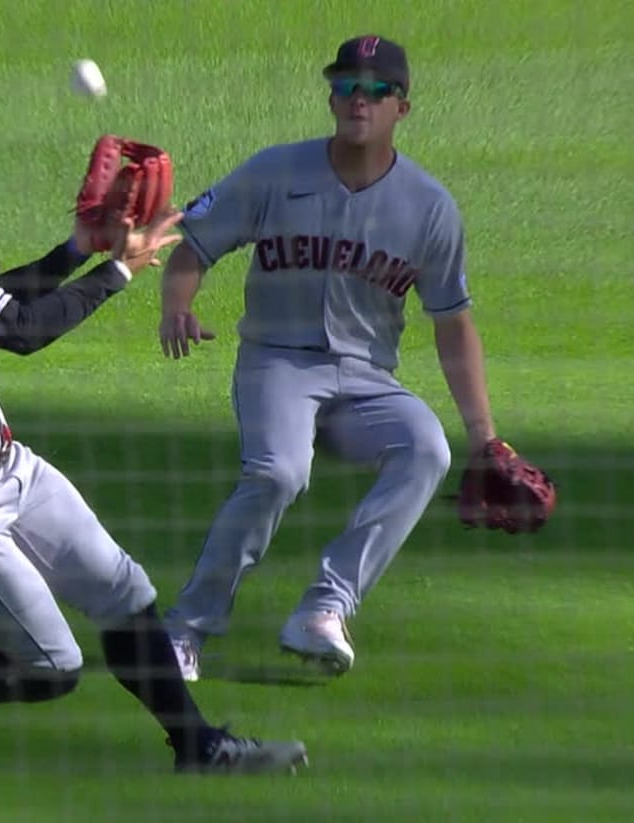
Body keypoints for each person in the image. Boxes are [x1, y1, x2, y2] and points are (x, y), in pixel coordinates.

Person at [0, 98, 308, 781]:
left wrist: (76, 248)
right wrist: (118, 271)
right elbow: (23, 334)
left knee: (125, 595)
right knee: (49, 668)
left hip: (8, 468)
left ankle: (198, 747)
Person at [157, 36, 499, 681]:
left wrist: (485, 436)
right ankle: (187, 629)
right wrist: (177, 306)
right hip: (278, 365)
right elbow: (192, 248)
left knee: (427, 448)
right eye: (346, 88)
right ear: (331, 97)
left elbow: (453, 324)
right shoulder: (274, 172)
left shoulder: (430, 207)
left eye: (375, 91)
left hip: (367, 382)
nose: (358, 101)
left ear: (403, 107)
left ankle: (325, 608)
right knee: (279, 473)